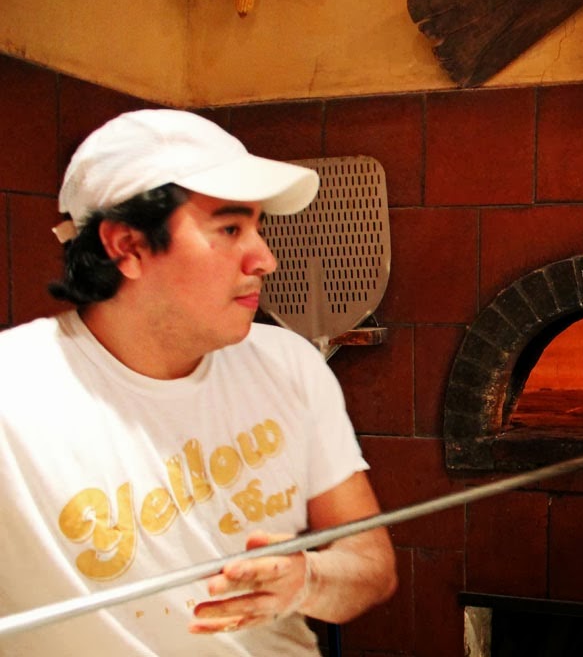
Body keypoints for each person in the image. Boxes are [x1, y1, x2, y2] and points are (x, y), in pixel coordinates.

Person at [0, 109, 397, 655]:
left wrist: (308, 580)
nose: (266, 259)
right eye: (231, 229)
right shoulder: (13, 392)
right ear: (129, 247)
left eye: (259, 228)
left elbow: (373, 565)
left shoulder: (289, 364)